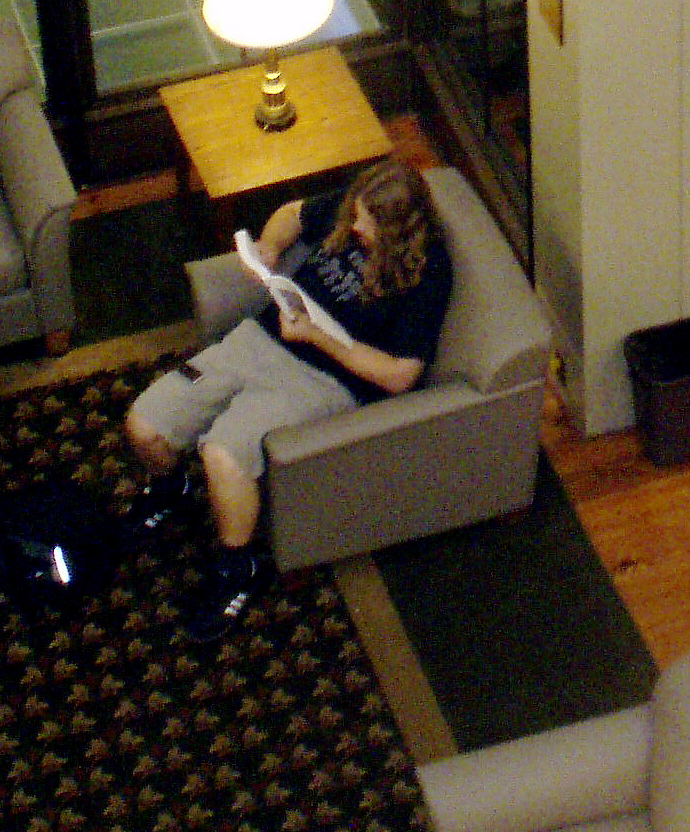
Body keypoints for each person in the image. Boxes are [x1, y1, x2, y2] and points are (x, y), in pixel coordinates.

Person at [123, 155, 453, 645]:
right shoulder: (349, 210)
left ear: (399, 230)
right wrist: (268, 248)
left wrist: (318, 338)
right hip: (261, 339)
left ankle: (240, 567)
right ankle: (173, 490)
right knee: (144, 425)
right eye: (354, 218)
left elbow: (400, 374)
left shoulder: (428, 274)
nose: (355, 229)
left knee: (223, 452)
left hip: (325, 379)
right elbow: (293, 213)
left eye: (366, 228)